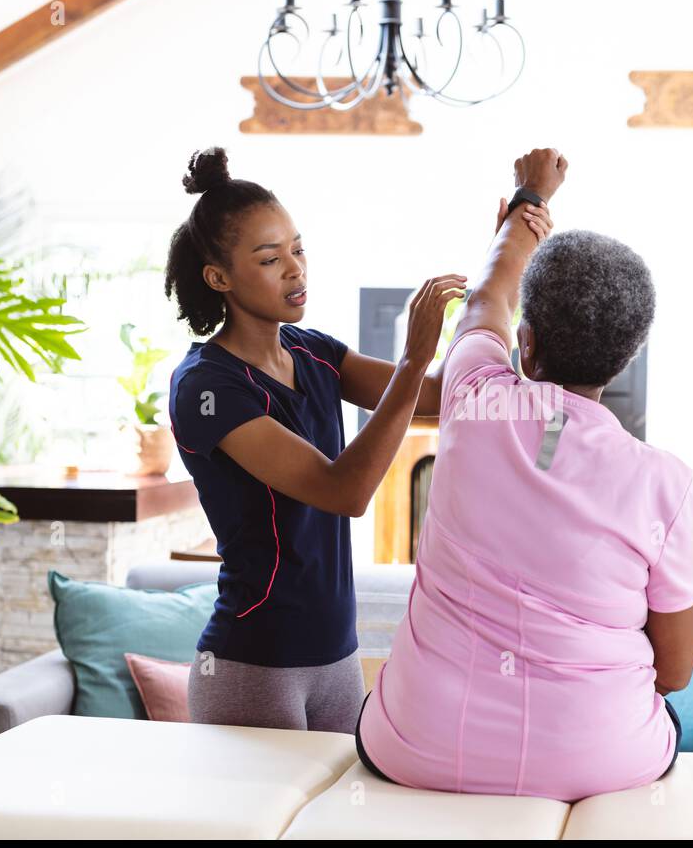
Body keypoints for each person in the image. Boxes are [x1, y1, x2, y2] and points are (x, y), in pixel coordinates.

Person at [163, 146, 552, 732]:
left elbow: (442, 395)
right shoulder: (205, 388)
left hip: (337, 661)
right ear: (218, 278)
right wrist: (414, 355)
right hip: (250, 667)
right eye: (270, 259)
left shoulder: (312, 350)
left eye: (298, 249)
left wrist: (510, 254)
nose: (295, 269)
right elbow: (344, 490)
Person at [357, 148, 693, 800]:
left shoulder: (473, 393)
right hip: (604, 757)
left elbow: (489, 289)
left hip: (418, 745)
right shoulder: (668, 483)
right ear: (624, 359)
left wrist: (530, 196)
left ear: (528, 342)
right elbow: (677, 670)